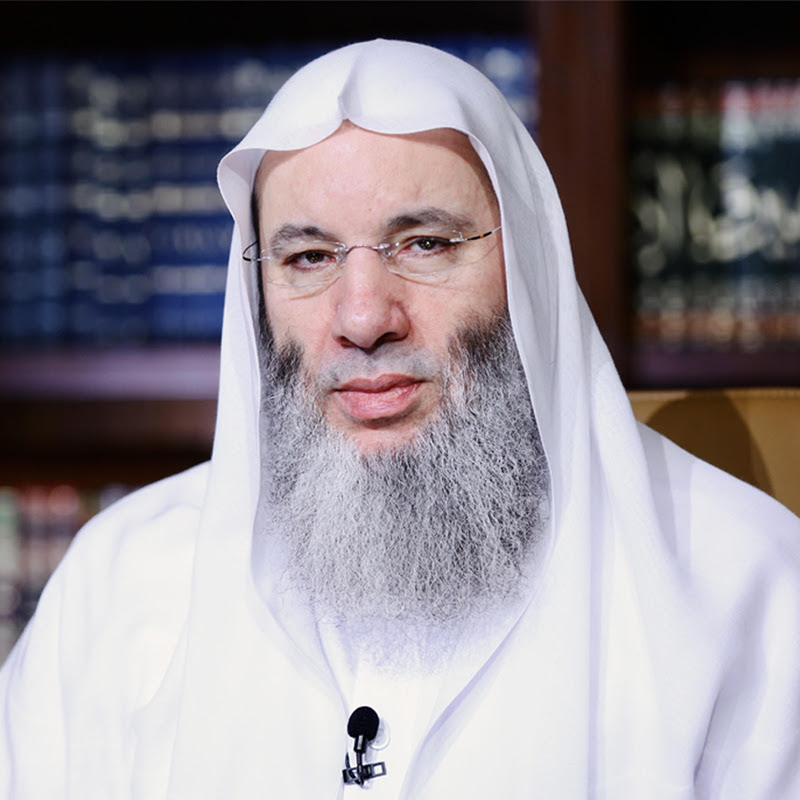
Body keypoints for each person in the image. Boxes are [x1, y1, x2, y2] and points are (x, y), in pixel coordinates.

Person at [2, 39, 800, 799]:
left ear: (527, 268)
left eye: (424, 244)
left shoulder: (742, 587)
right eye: (308, 257)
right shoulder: (122, 582)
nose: (363, 319)